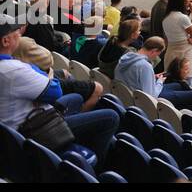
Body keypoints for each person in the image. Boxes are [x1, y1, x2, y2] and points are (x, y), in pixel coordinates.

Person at [0, 21, 119, 161]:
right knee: (111, 117)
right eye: (16, 34)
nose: (20, 36)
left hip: (20, 121)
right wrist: (38, 71)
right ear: (6, 40)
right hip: (35, 129)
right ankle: (92, 169)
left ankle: (75, 140)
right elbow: (55, 91)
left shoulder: (12, 67)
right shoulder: (14, 69)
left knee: (76, 98)